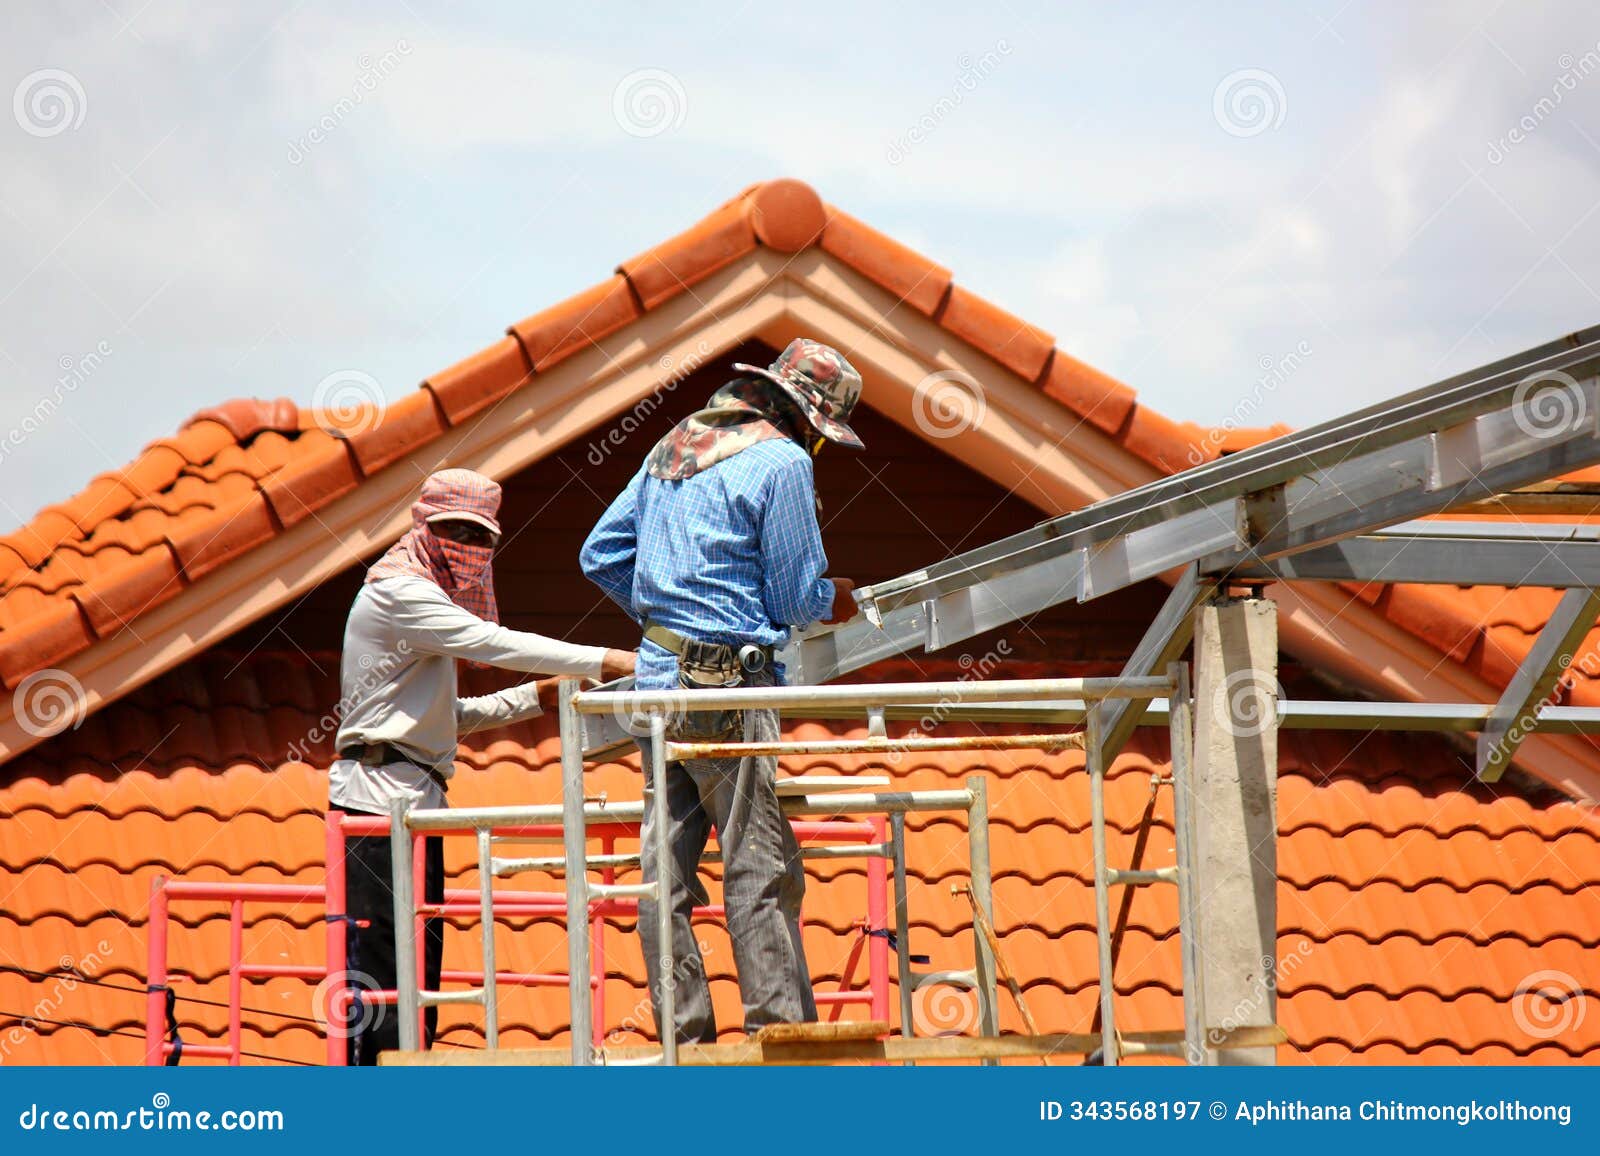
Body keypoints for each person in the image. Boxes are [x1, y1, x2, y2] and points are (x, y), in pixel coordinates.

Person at [580, 338, 864, 1044]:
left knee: (663, 872)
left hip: (656, 679)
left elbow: (600, 555)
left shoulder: (673, 445)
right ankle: (780, 1034)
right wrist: (835, 599)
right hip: (728, 687)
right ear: (807, 419)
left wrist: (668, 619)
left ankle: (684, 1032)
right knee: (758, 862)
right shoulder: (784, 461)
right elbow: (796, 597)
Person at [328, 468, 635, 1064]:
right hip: (373, 806)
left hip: (418, 809)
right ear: (424, 525)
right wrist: (609, 659)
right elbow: (490, 645)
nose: (467, 548)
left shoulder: (424, 601)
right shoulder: (402, 593)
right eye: (455, 530)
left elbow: (447, 718)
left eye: (482, 538)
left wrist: (534, 697)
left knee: (422, 976)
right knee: (384, 978)